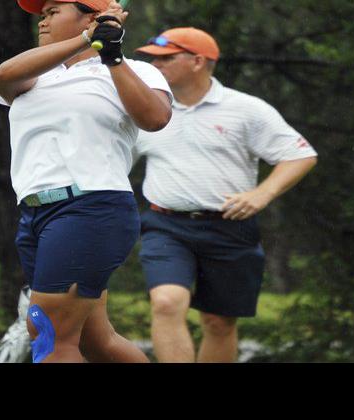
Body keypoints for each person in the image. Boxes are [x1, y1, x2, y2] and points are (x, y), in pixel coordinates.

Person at [0, 0, 172, 363]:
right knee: (96, 341)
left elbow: (155, 118)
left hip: (89, 208)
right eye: (42, 15)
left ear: (89, 15)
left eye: (53, 11)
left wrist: (113, 56)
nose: (43, 20)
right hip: (36, 215)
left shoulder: (134, 71)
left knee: (50, 334)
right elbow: (4, 77)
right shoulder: (36, 75)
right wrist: (87, 38)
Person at [132, 27, 318, 362]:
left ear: (198, 61)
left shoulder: (246, 109)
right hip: (165, 225)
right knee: (166, 302)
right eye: (152, 60)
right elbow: (112, 161)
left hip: (229, 227)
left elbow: (300, 154)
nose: (155, 66)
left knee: (218, 322)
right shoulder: (146, 109)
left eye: (166, 59)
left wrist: (262, 194)